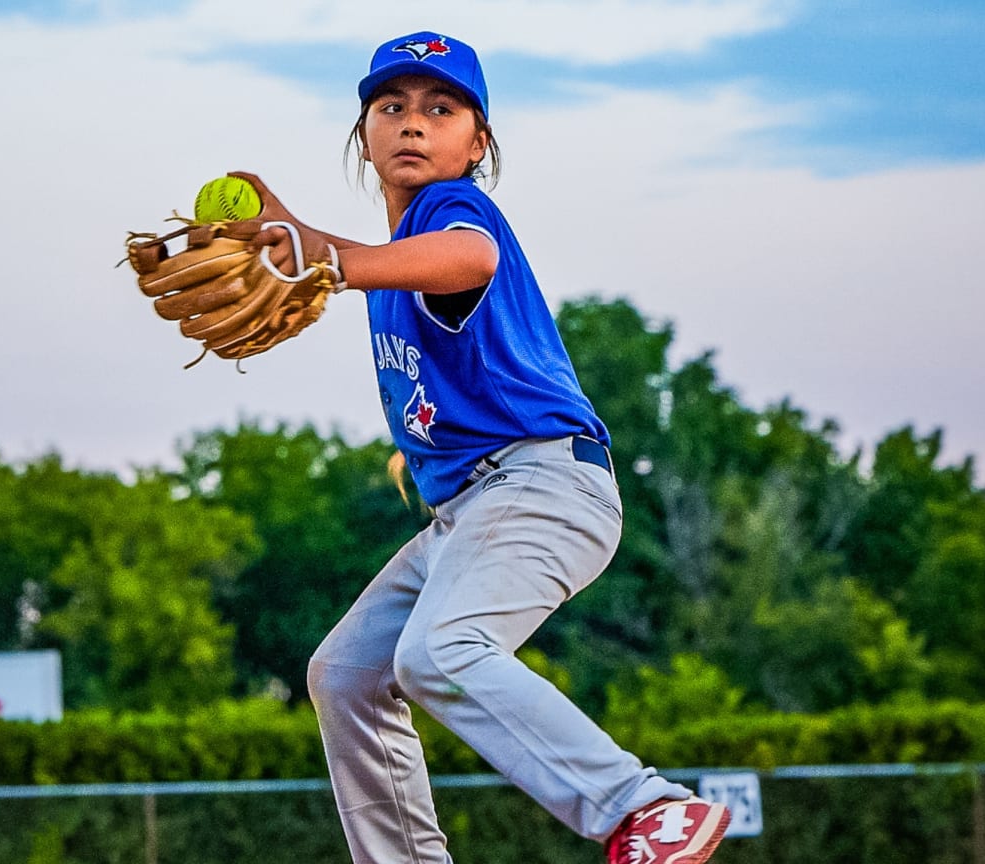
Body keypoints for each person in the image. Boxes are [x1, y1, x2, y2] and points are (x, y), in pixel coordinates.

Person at [239, 30, 730, 864]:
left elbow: (472, 255)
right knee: (347, 674)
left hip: (544, 485)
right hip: (468, 513)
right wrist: (285, 225)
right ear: (363, 134)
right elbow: (375, 260)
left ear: (478, 144)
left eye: (441, 108)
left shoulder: (451, 212)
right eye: (390, 106)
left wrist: (335, 262)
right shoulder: (394, 258)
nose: (413, 124)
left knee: (440, 651)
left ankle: (645, 806)